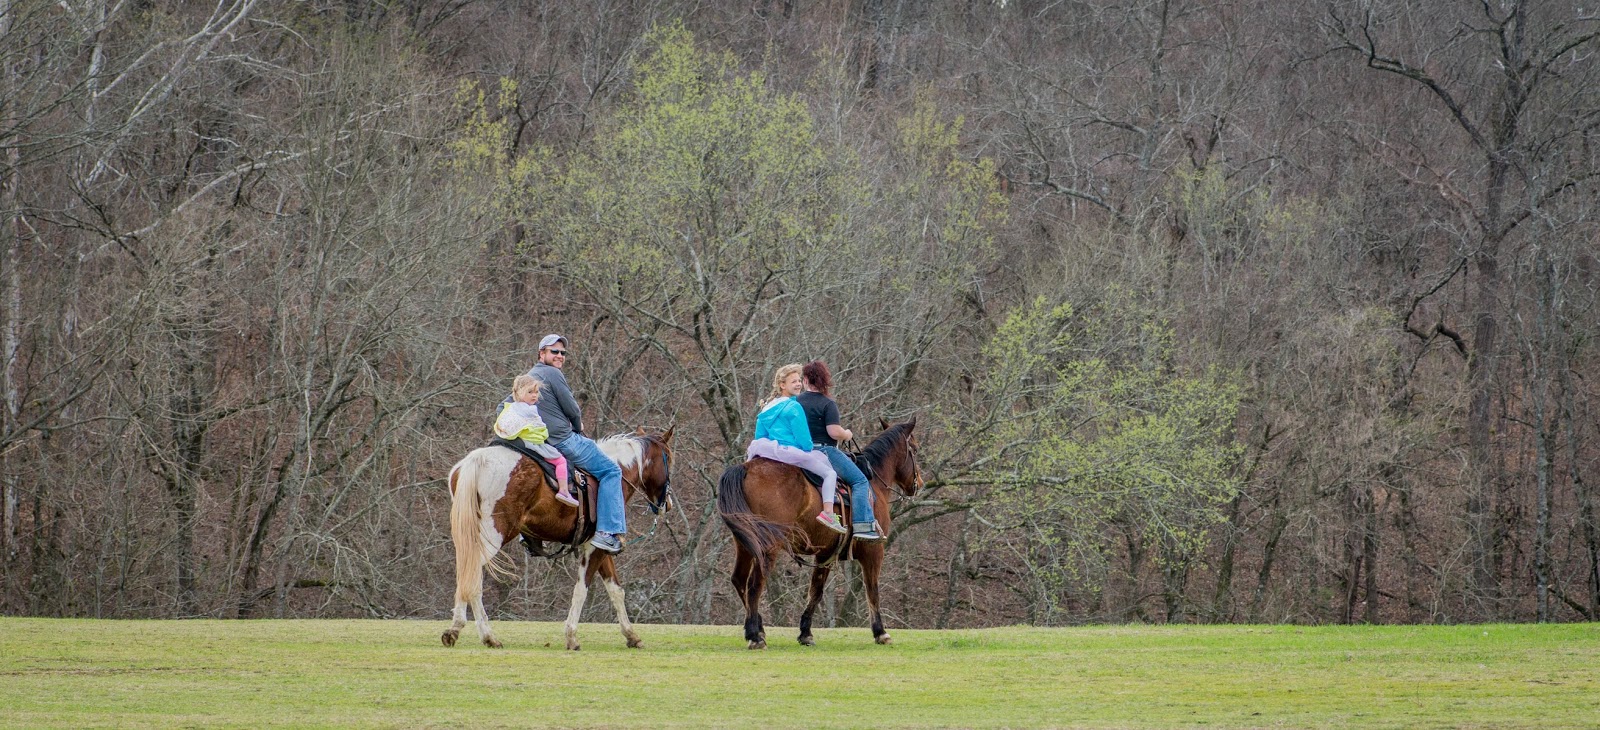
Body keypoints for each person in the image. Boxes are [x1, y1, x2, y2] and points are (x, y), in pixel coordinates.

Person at [527, 334, 627, 553]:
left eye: (563, 353)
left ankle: (529, 536)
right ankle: (607, 533)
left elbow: (502, 408)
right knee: (611, 471)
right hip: (566, 441)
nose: (560, 356)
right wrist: (578, 424)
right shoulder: (553, 373)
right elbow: (572, 408)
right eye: (554, 351)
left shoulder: (527, 379)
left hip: (540, 445)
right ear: (541, 353)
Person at [746, 363, 847, 534]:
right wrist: (806, 448)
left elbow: (759, 436)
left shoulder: (767, 408)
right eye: (794, 381)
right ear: (782, 385)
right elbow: (805, 442)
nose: (799, 384)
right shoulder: (794, 407)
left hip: (768, 449)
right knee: (830, 473)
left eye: (800, 380)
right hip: (791, 452)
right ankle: (828, 514)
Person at [796, 360, 882, 541]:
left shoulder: (795, 402)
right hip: (824, 451)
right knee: (859, 481)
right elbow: (833, 432)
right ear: (824, 380)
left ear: (805, 380)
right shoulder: (828, 404)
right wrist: (847, 434)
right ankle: (863, 526)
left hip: (797, 451)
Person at [494, 374, 578, 507]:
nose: (534, 395)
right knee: (560, 460)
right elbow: (540, 431)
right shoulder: (530, 411)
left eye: (536, 392)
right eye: (530, 392)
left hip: (517, 441)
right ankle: (563, 490)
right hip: (532, 444)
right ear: (520, 393)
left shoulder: (511, 408)